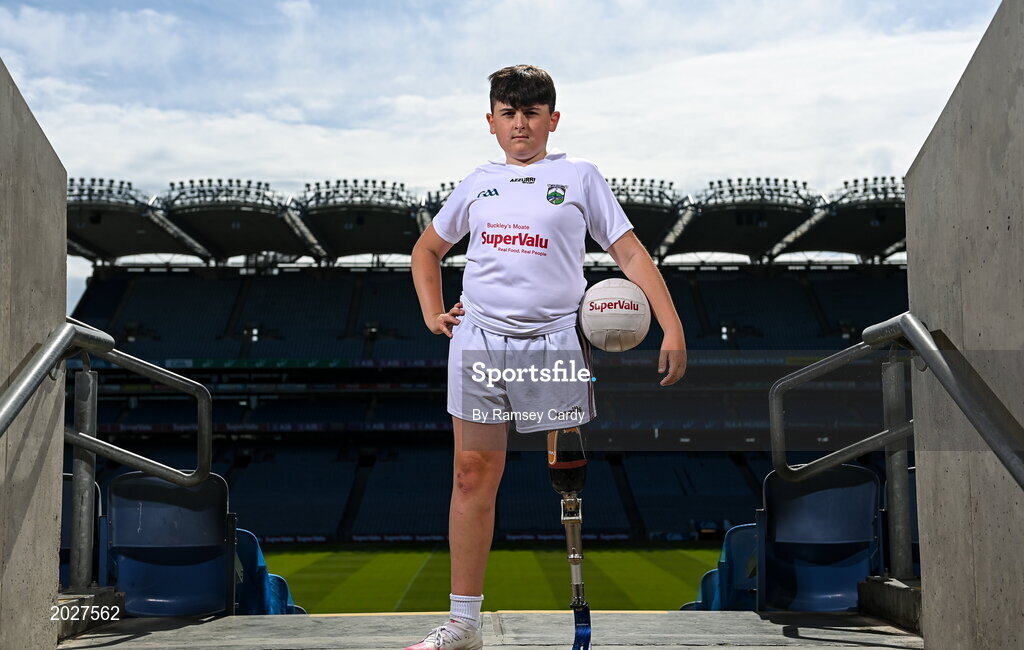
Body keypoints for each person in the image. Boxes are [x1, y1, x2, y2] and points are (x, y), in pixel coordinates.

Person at [408, 64, 687, 650]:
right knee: (472, 474)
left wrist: (672, 327)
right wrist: (434, 313)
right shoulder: (476, 182)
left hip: (554, 340)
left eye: (532, 113)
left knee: (567, 476)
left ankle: (577, 598)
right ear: (490, 121)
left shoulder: (580, 176)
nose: (520, 124)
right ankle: (462, 624)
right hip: (479, 338)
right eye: (508, 113)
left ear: (552, 120)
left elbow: (632, 255)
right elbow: (427, 250)